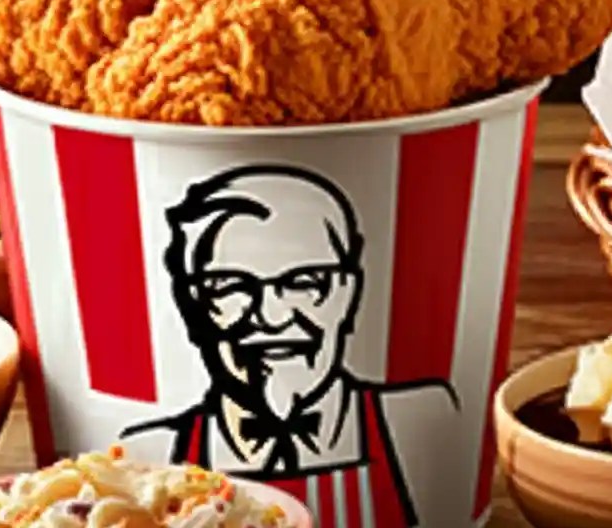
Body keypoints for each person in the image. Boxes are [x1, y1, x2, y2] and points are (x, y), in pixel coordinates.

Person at [122, 165, 458, 526]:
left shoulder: (418, 419)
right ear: (192, 307)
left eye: (305, 281)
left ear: (348, 294)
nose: (273, 316)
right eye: (231, 286)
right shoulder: (152, 452)